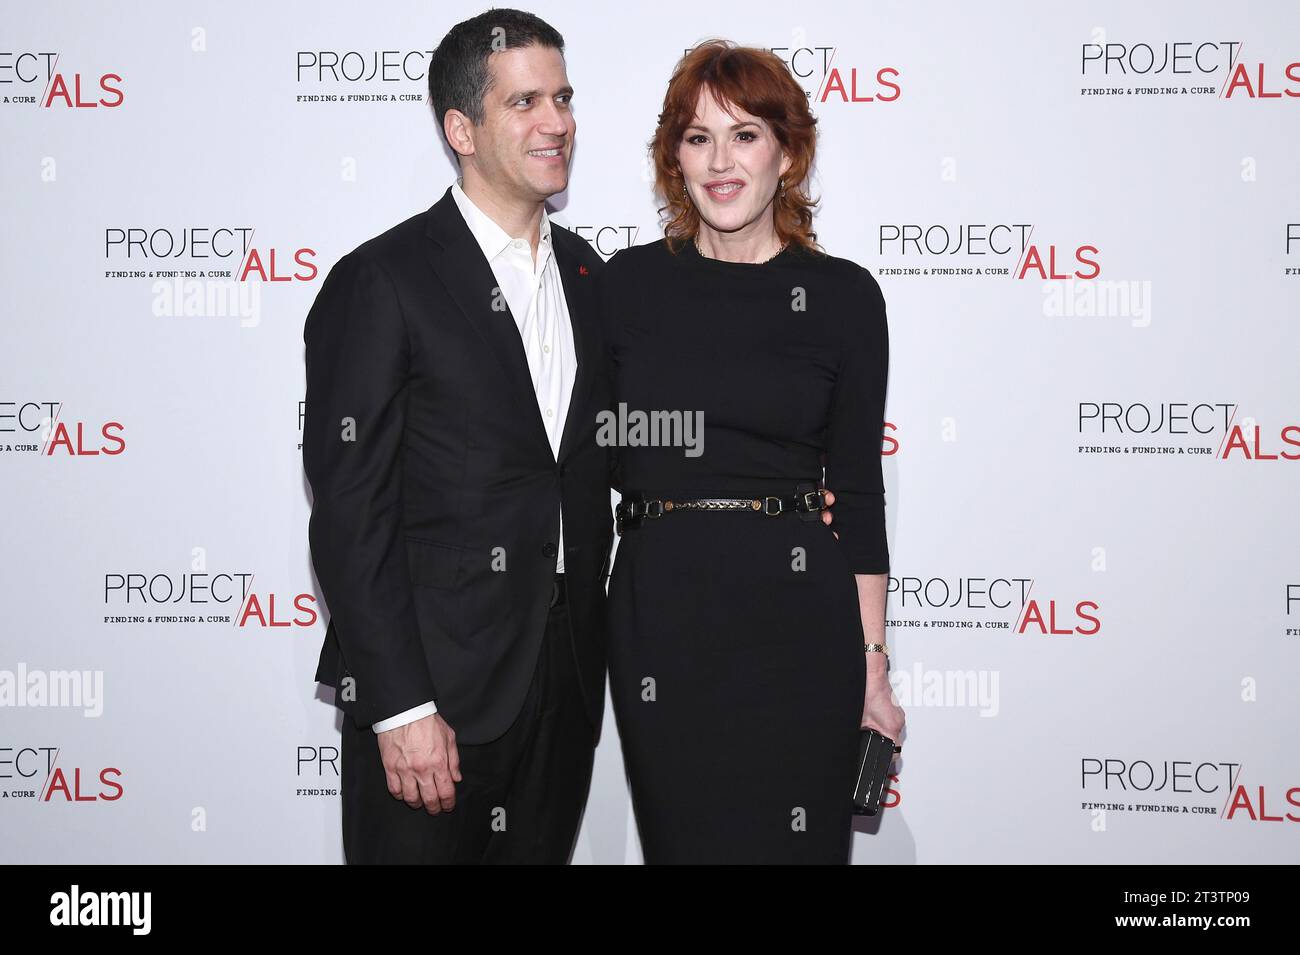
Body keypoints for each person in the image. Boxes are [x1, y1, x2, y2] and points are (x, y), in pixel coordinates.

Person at [302, 8, 612, 864]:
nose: (558, 122)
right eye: (525, 103)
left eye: (563, 96)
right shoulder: (382, 280)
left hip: (562, 685)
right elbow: (348, 512)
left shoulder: (590, 276)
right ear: (461, 128)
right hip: (432, 696)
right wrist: (399, 707)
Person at [596, 39, 906, 864]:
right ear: (675, 160)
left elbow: (859, 493)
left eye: (745, 135)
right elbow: (592, 453)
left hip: (800, 617)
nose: (720, 162)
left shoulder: (844, 298)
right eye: (698, 139)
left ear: (789, 152)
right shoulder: (624, 288)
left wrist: (873, 663)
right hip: (661, 613)